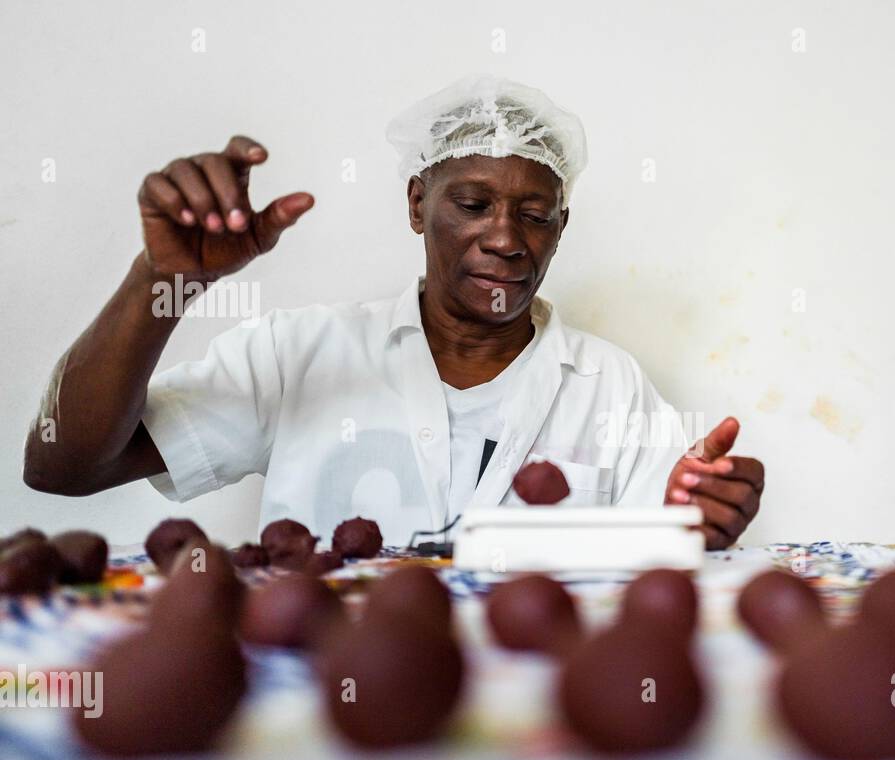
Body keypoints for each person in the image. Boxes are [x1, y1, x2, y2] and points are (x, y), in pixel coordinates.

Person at [23, 75, 764, 549]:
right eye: (473, 205)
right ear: (418, 205)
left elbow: (669, 534)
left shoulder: (609, 387)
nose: (506, 238)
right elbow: (63, 465)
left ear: (560, 229)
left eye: (535, 215)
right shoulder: (301, 355)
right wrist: (162, 280)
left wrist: (696, 518)